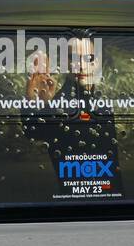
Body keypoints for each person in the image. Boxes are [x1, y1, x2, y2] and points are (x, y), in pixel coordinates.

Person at [21, 36, 125, 199]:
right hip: (73, 198)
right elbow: (33, 132)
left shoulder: (103, 101)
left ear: (97, 61)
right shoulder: (58, 101)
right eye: (73, 58)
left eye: (89, 58)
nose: (82, 66)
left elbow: (113, 158)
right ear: (63, 62)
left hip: (110, 197)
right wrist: (32, 99)